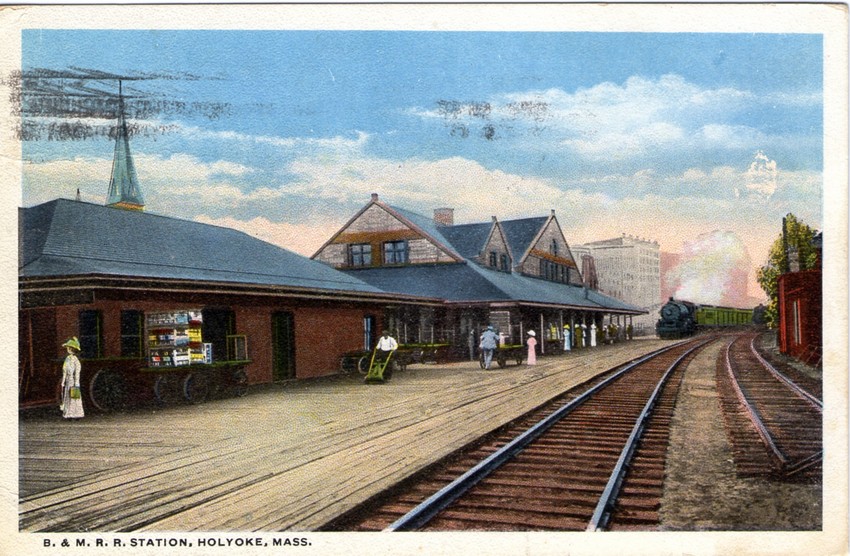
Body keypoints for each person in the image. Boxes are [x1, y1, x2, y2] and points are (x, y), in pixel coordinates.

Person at [60, 337, 84, 420]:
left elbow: (77, 372)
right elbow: (64, 371)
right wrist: (63, 381)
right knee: (68, 397)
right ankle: (68, 413)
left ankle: (77, 414)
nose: (68, 349)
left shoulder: (75, 360)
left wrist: (76, 383)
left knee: (75, 397)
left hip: (73, 381)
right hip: (68, 380)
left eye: (69, 348)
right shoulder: (67, 359)